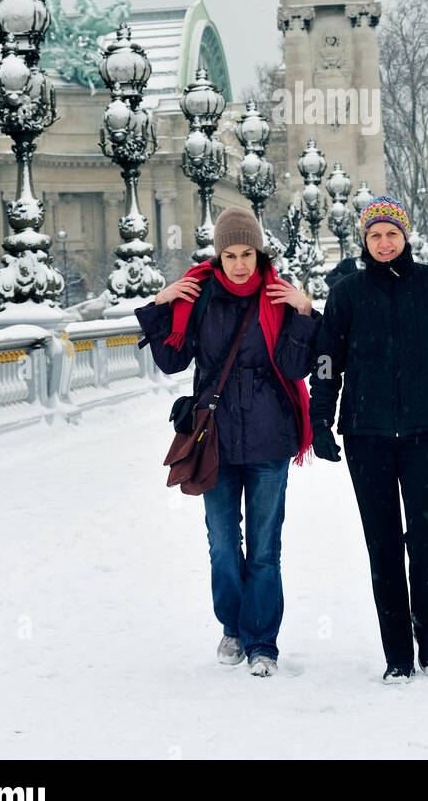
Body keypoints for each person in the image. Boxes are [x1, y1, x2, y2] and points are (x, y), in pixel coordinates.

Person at [135, 207, 322, 678]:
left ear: (259, 254)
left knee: (264, 548)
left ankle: (262, 642)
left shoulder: (278, 296)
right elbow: (173, 362)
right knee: (222, 543)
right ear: (218, 256)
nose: (239, 263)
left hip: (269, 437)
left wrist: (302, 313)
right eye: (230, 254)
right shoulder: (199, 296)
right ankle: (233, 628)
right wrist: (162, 304)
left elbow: (298, 368)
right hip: (214, 437)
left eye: (247, 254)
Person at [308, 196, 428, 684]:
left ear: (405, 236)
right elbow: (326, 363)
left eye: (391, 234)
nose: (383, 243)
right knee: (382, 541)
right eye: (374, 236)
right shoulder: (346, 294)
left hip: (424, 431)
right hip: (365, 437)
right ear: (364, 242)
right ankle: (396, 651)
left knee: (424, 534)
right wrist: (319, 421)